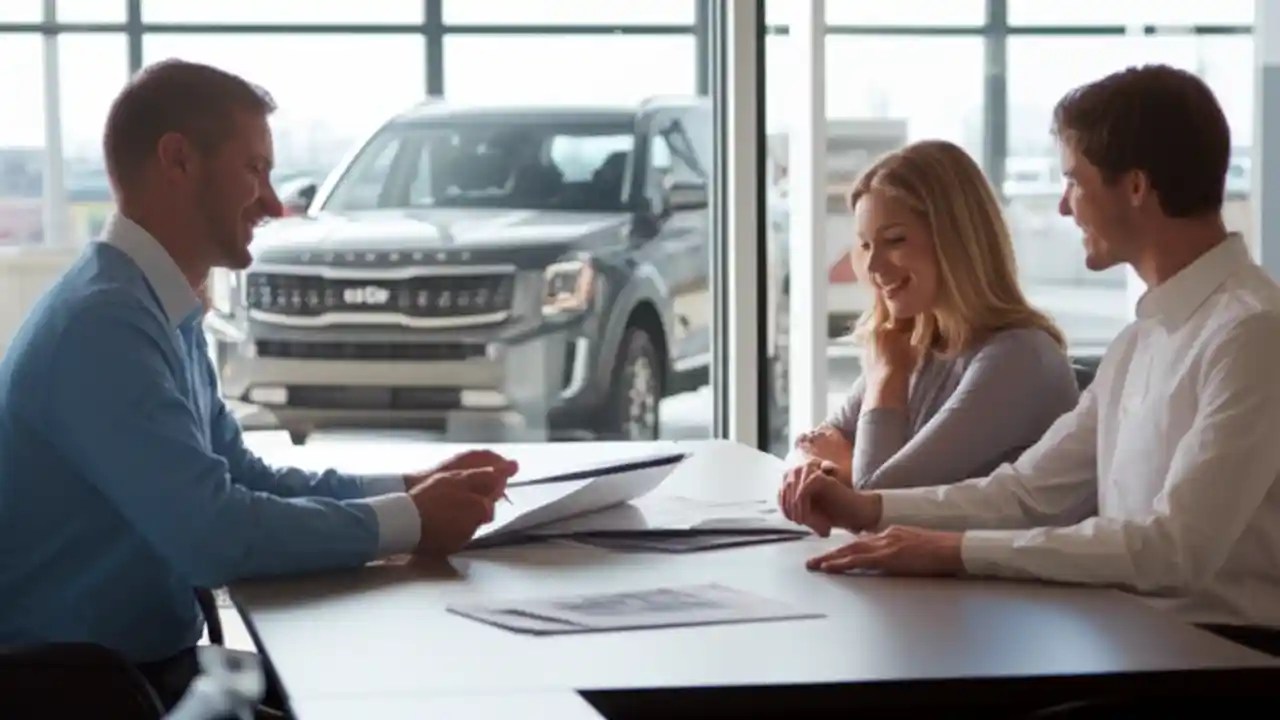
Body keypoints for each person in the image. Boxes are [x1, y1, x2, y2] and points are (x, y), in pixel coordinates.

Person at [0, 59, 519, 711]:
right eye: (254, 170)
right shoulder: (105, 326)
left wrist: (410, 489)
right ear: (179, 160)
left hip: (140, 670)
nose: (274, 204)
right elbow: (213, 535)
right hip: (85, 692)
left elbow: (238, 475)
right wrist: (411, 521)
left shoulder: (150, 306)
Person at [779, 64, 1280, 657]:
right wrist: (870, 509)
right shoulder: (1140, 343)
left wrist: (955, 550)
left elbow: (1174, 549)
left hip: (1224, 660)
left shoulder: (1251, 334)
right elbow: (1026, 492)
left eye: (1075, 181)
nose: (1065, 207)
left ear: (1136, 186)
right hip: (1133, 640)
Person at [785, 139, 1079, 492]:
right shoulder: (916, 341)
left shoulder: (1019, 358)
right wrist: (842, 476)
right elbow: (806, 450)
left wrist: (886, 378)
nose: (874, 266)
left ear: (954, 239)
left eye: (894, 240)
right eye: (865, 245)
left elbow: (881, 497)